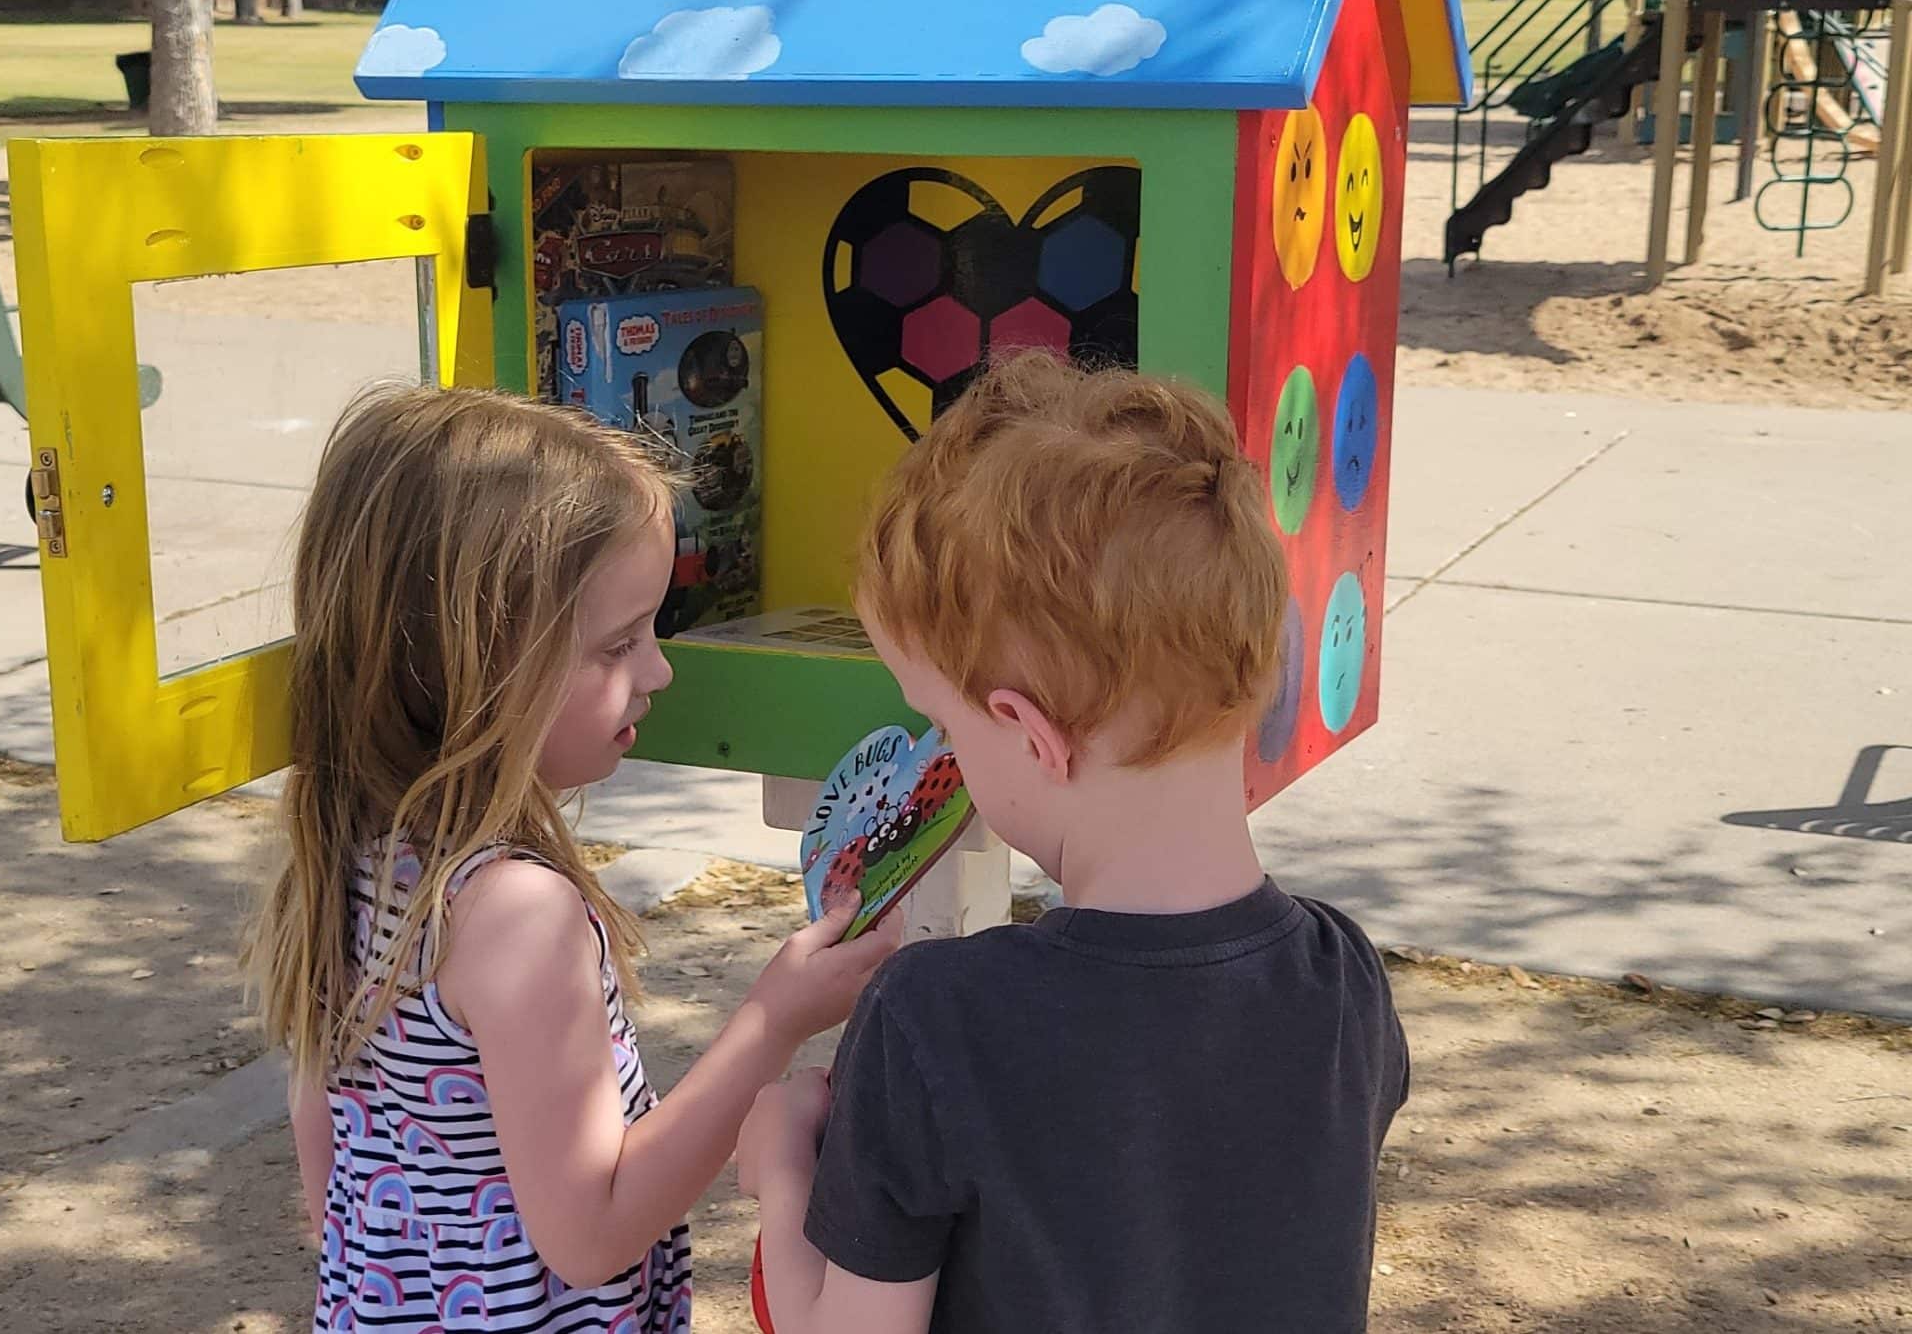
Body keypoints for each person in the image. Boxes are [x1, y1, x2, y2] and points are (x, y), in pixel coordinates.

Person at [738, 353, 1409, 1334]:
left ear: (1028, 732)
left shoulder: (936, 1020)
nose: (946, 760)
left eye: (946, 727)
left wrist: (781, 1170)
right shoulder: (1342, 981)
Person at [248, 385, 898, 1333]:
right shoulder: (515, 913)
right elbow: (592, 1232)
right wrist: (774, 1018)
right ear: (481, 663)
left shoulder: (352, 847)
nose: (660, 672)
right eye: (619, 644)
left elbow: (327, 1170)